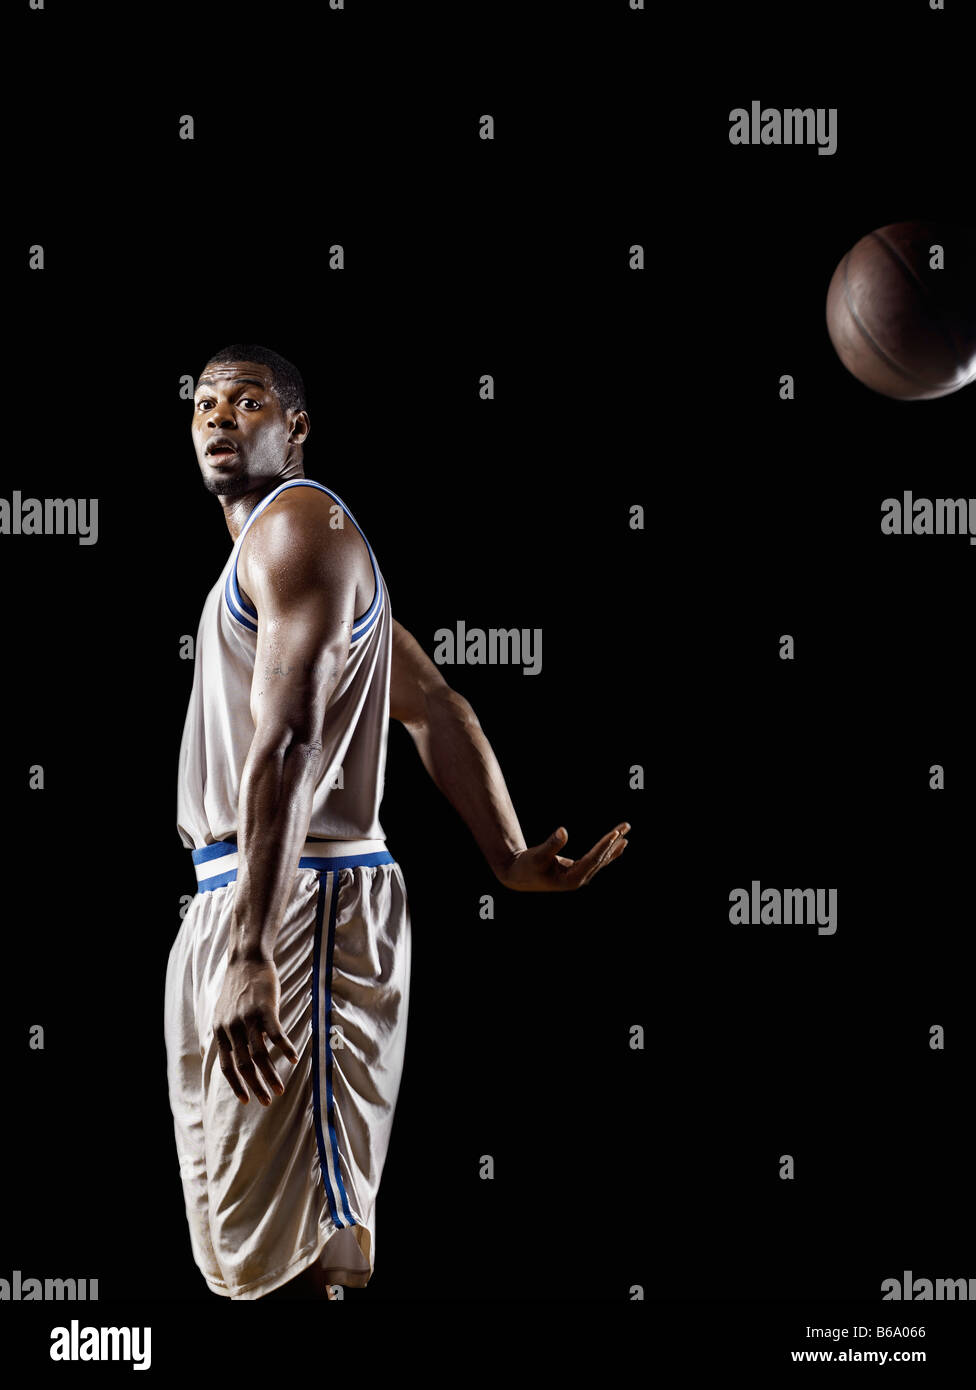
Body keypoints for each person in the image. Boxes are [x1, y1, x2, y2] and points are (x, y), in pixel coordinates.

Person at [165, 343, 630, 1301]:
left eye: (247, 402)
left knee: (293, 1233)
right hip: (244, 894)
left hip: (299, 901)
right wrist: (505, 856)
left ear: (295, 429)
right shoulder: (275, 553)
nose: (218, 417)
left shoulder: (302, 528)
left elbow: (290, 743)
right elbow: (431, 704)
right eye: (204, 402)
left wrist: (253, 946)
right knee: (243, 1231)